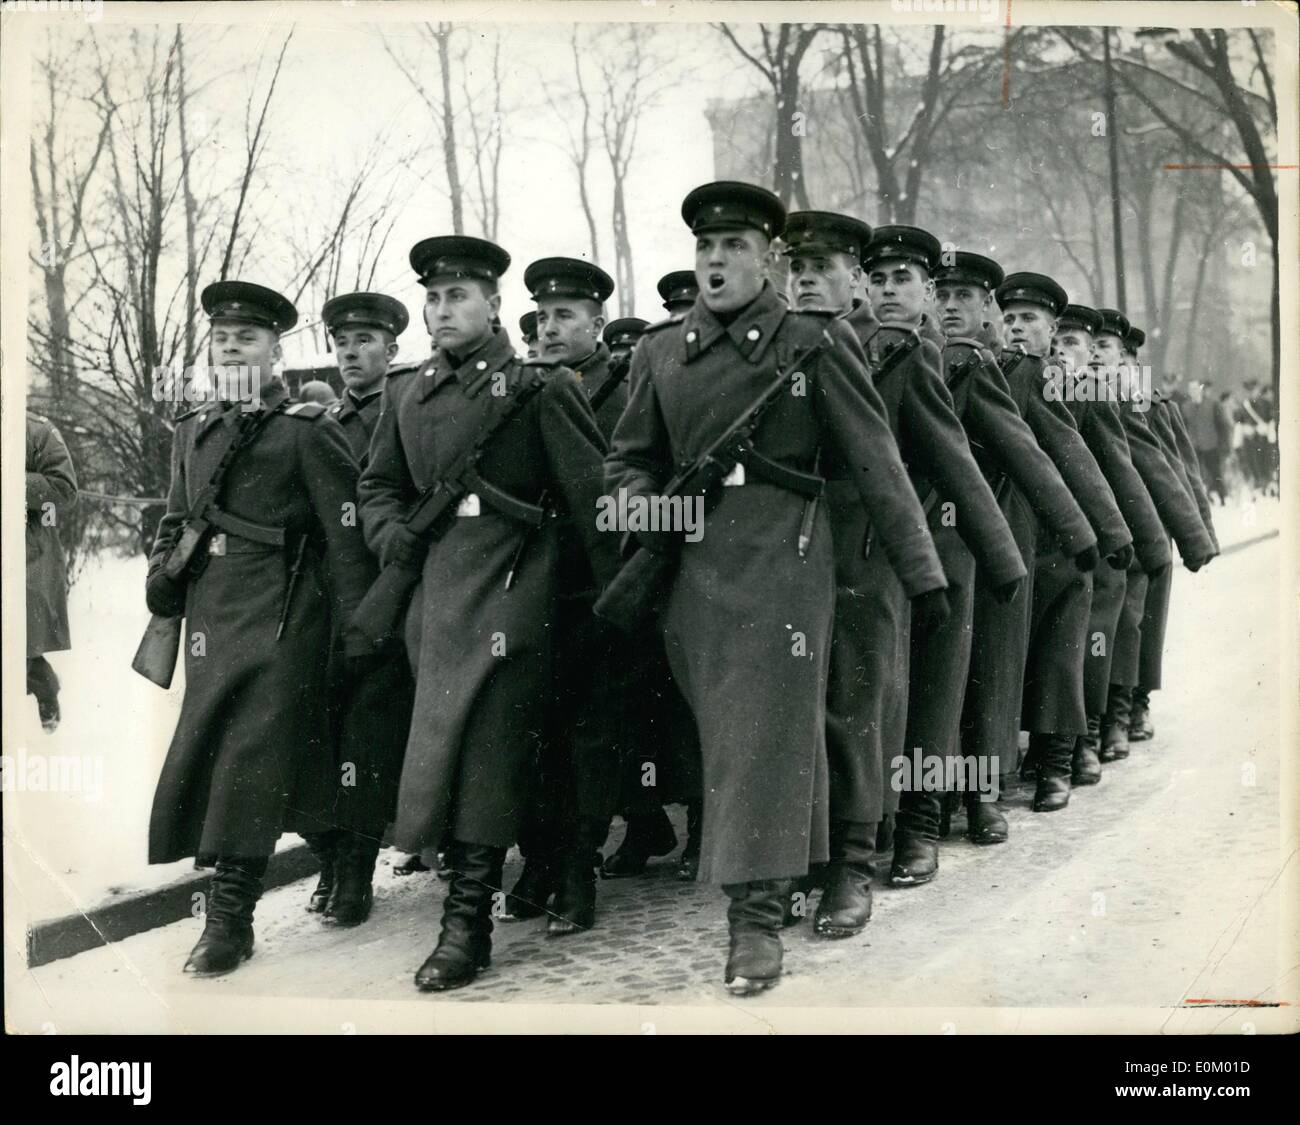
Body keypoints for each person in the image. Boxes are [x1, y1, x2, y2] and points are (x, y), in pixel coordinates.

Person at [607, 184, 948, 992]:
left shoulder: (813, 343)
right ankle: (801, 869)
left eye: (735, 247)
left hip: (787, 570)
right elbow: (628, 457)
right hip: (690, 576)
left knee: (759, 735)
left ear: (769, 260)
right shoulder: (659, 351)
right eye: (706, 248)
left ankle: (755, 920)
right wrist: (637, 503)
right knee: (738, 740)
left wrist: (923, 573)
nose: (717, 261)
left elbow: (878, 462)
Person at [359, 236, 618, 991]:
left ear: (496, 306)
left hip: (521, 599)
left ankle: (465, 925)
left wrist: (607, 602)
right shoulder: (406, 393)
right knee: (456, 755)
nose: (443, 310)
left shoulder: (541, 388)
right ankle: (542, 875)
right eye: (434, 298)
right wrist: (393, 535)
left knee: (487, 756)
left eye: (459, 297)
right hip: (435, 605)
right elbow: (377, 486)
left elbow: (593, 504)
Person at [146, 280, 378, 976]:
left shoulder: (305, 431)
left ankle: (230, 918)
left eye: (246, 339)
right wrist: (160, 572)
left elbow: (348, 538)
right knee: (261, 758)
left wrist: (360, 628)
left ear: (275, 351)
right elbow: (174, 516)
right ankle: (343, 851)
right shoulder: (193, 427)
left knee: (250, 758)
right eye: (221, 340)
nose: (231, 350)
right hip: (211, 621)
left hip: (287, 620)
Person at [928, 252, 1096, 859]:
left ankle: (987, 792)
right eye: (940, 296)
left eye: (965, 299)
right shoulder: (915, 356)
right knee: (940, 669)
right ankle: (937, 792)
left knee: (997, 659)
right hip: (928, 528)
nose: (949, 308)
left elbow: (1054, 451)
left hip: (1003, 521)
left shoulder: (1021, 373)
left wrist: (1092, 533)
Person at [501, 256, 629, 935]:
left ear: (597, 324)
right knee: (529, 730)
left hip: (594, 584)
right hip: (527, 586)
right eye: (542, 317)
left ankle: (578, 869)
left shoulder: (628, 385)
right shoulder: (523, 388)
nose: (549, 329)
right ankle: (540, 859)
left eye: (565, 316)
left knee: (589, 736)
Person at [289, 292, 419, 926]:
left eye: (365, 341)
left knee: (366, 744)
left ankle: (355, 876)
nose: (350, 352)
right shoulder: (321, 422)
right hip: (323, 607)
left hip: (388, 601)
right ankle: (334, 857)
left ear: (392, 350)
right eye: (341, 342)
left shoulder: (411, 409)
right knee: (318, 741)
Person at [1047, 304, 1167, 800]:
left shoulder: (1124, 400)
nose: (1091, 357)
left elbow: (1150, 466)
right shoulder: (1039, 386)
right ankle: (1060, 742)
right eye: (1073, 343)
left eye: (1099, 348)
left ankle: (1102, 725)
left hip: (1113, 533)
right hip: (1054, 534)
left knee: (1106, 634)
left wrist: (1159, 538)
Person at [26, 412, 78, 733]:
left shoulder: (37, 430)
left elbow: (64, 491)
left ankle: (45, 688)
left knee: (21, 645)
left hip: (29, 552)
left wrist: (14, 480)